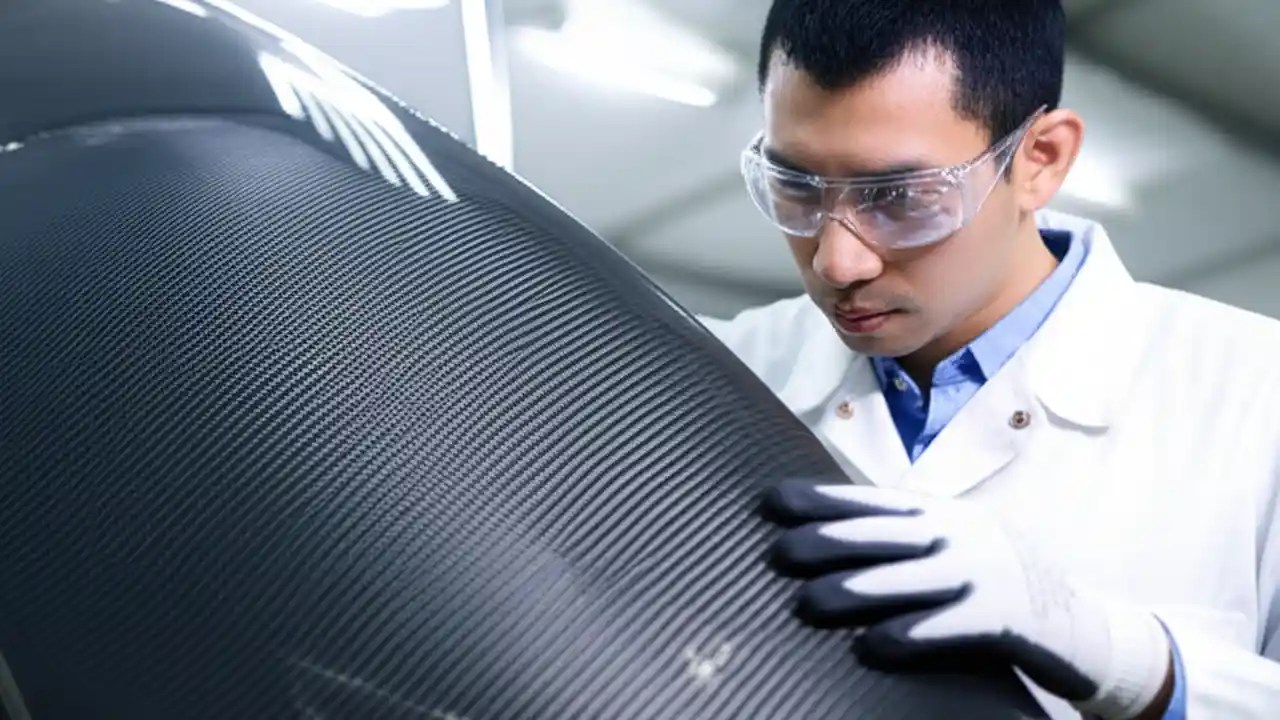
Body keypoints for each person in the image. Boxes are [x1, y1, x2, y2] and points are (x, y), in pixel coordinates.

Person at [697, 1, 1280, 718]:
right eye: (795, 187)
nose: (838, 260)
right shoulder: (708, 370)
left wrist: (1123, 658)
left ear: (1040, 160)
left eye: (898, 197)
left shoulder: (1257, 395)